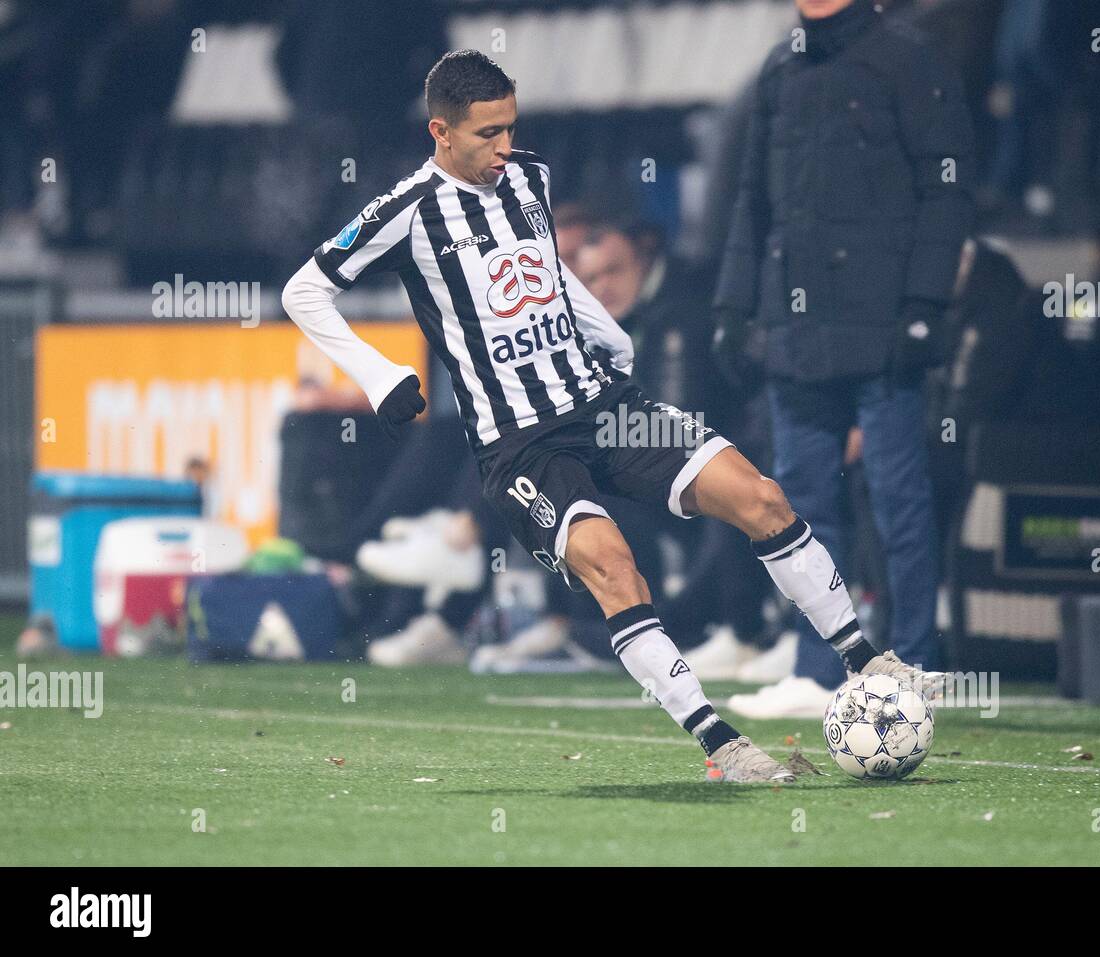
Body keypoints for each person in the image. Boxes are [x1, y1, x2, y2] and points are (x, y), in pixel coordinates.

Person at [282, 49, 942, 783]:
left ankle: (864, 657)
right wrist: (380, 376)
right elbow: (304, 291)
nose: (505, 146)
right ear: (440, 131)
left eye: (511, 126)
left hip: (601, 406)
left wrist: (606, 333)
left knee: (760, 496)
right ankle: (722, 743)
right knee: (615, 566)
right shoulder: (406, 211)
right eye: (486, 134)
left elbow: (548, 265)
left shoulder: (528, 174)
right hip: (523, 446)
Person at [712, 0, 974, 718]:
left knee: (899, 500)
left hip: (884, 324)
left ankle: (917, 662)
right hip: (796, 329)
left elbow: (946, 190)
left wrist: (924, 307)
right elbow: (752, 201)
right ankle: (817, 667)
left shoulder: (910, 56)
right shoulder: (781, 65)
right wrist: (735, 307)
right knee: (798, 506)